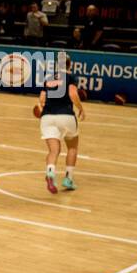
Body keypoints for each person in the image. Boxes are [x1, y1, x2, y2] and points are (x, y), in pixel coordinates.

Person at [36, 51, 85, 194]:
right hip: (66, 116)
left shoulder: (49, 77)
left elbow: (42, 99)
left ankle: (50, 173)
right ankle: (68, 179)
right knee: (72, 147)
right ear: (70, 65)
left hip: (47, 117)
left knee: (53, 151)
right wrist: (81, 108)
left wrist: (40, 107)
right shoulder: (71, 77)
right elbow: (72, 94)